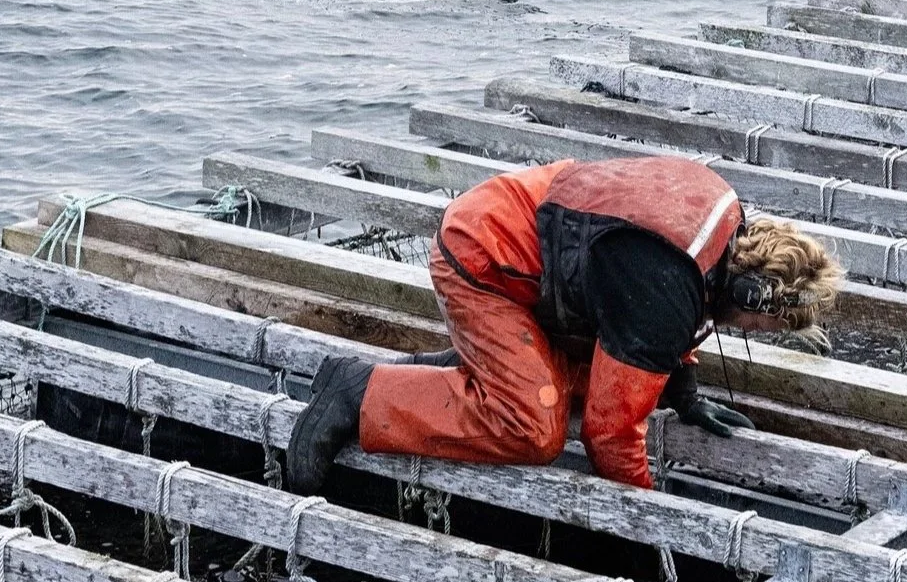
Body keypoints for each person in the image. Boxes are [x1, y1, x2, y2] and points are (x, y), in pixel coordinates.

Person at [283, 155, 842, 492]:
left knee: (576, 384)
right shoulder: (665, 290)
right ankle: (357, 391)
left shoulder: (723, 221)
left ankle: (477, 372)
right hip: (486, 258)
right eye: (759, 326)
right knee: (534, 427)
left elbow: (661, 305)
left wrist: (684, 393)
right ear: (753, 295)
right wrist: (646, 517)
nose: (749, 333)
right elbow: (610, 435)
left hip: (533, 231)